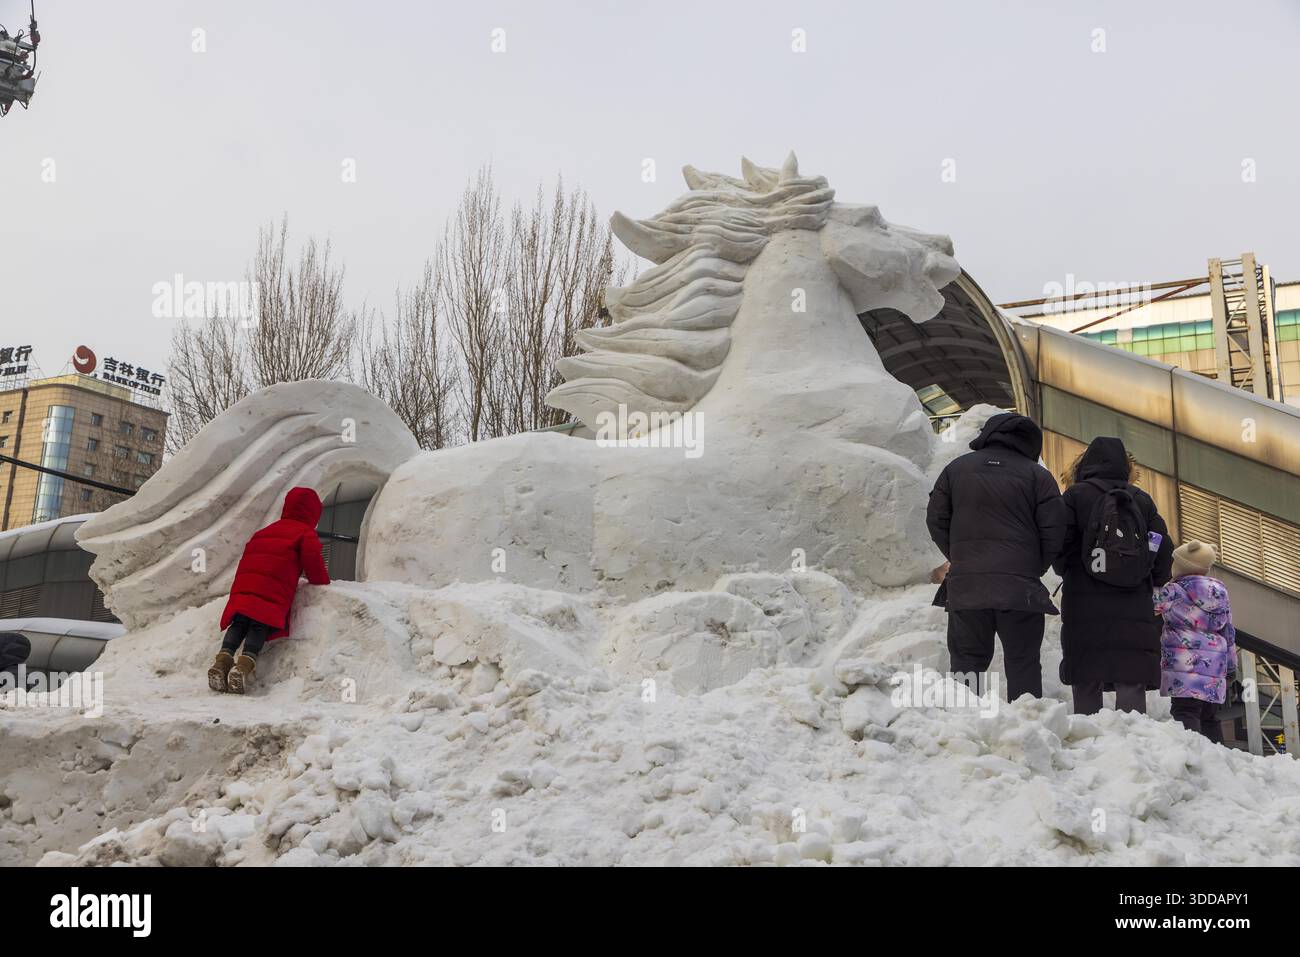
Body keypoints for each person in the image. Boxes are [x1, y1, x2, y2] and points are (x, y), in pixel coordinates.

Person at [926, 412, 1066, 700]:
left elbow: (936, 518)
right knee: (1023, 661)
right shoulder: (1038, 477)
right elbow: (1055, 530)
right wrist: (1033, 566)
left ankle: (964, 725)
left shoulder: (956, 469)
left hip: (968, 587)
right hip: (1020, 589)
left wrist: (961, 556)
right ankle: (1026, 721)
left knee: (966, 661)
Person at [1054, 437, 1173, 715]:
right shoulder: (1141, 500)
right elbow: (1162, 546)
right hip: (1133, 602)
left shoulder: (1073, 497)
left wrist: (1069, 570)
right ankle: (1131, 743)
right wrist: (1150, 575)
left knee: (1086, 675)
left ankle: (1087, 740)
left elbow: (1060, 543)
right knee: (1130, 675)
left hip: (1083, 601)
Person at [208, 487, 330, 694]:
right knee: (258, 626)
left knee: (239, 623)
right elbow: (314, 566)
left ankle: (222, 661)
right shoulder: (305, 533)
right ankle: (243, 667)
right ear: (313, 513)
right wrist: (322, 581)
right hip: (271, 593)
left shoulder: (265, 531)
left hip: (244, 589)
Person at [1156, 540, 1235, 742]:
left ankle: (1191, 757)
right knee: (1209, 716)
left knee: (1185, 712)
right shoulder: (1221, 593)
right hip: (1215, 667)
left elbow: (1146, 606)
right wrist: (1231, 667)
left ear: (1182, 565)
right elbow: (1229, 632)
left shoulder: (1173, 591)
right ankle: (1217, 759)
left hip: (1184, 666)